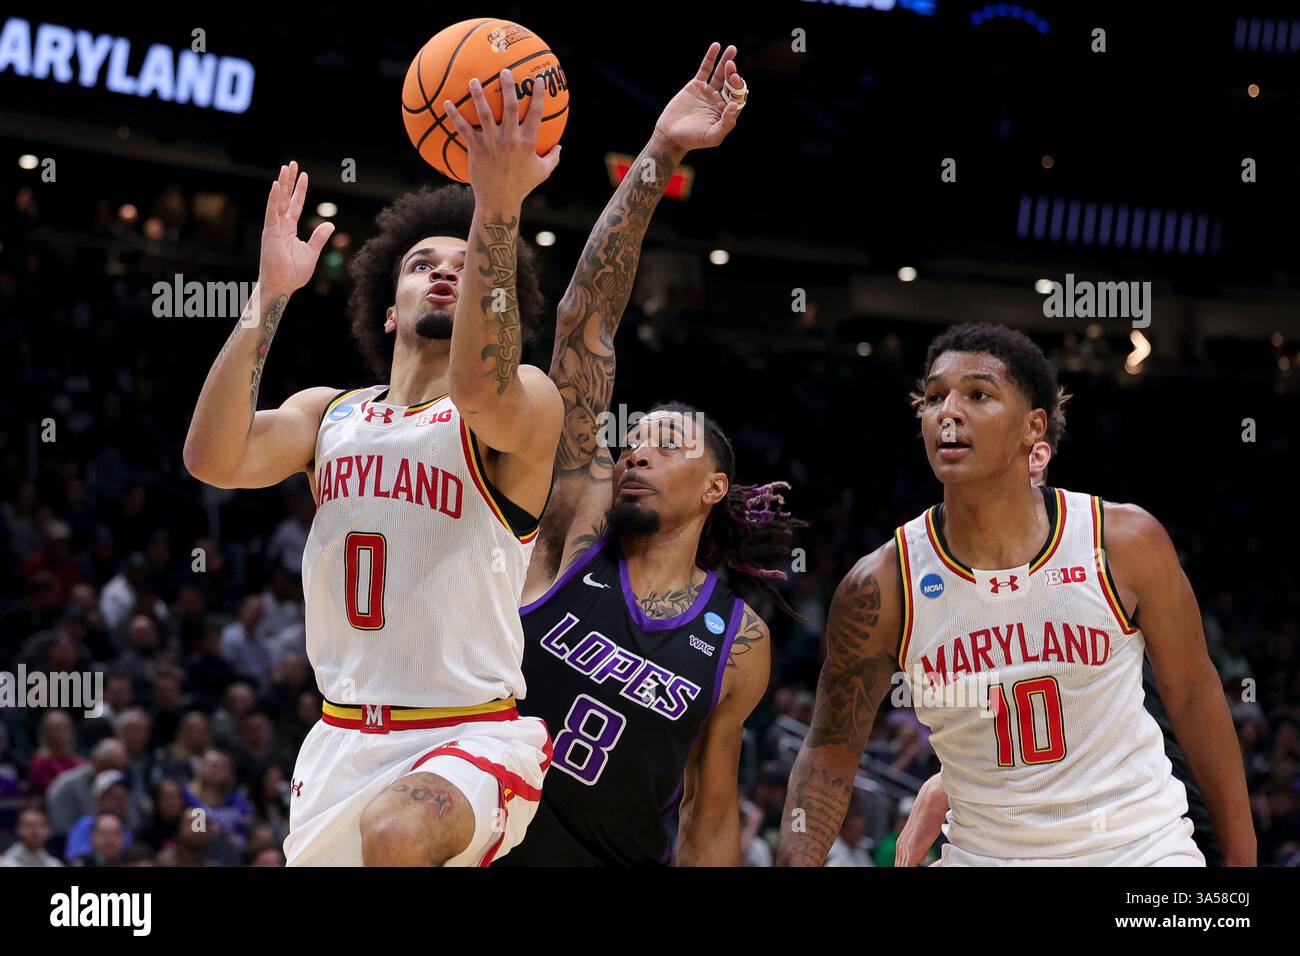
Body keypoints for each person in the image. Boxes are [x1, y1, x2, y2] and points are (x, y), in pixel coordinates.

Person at [183, 73, 565, 866]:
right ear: (389, 307)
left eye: (464, 266)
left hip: (470, 734)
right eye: (421, 263)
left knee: (396, 833)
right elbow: (213, 459)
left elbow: (480, 384)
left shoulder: (522, 399)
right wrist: (270, 296)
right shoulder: (330, 413)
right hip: (340, 740)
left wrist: (499, 205)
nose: (444, 271)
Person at [779, 322, 1255, 866]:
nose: (948, 412)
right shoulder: (881, 584)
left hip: (1139, 850)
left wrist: (1243, 865)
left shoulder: (1123, 541)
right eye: (935, 397)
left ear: (1034, 428)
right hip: (984, 855)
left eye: (978, 395)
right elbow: (829, 751)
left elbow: (1194, 695)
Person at [497, 45, 794, 867]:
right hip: (482, 843)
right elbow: (582, 325)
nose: (634, 455)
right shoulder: (574, 535)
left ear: (715, 487)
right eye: (631, 443)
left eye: (666, 445)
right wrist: (660, 154)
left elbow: (708, 813)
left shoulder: (737, 641)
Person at [895, 440, 1228, 866]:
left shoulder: (1100, 559)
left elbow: (1185, 713)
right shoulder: (933, 577)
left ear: (1036, 456)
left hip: (1132, 834)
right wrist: (948, 781)